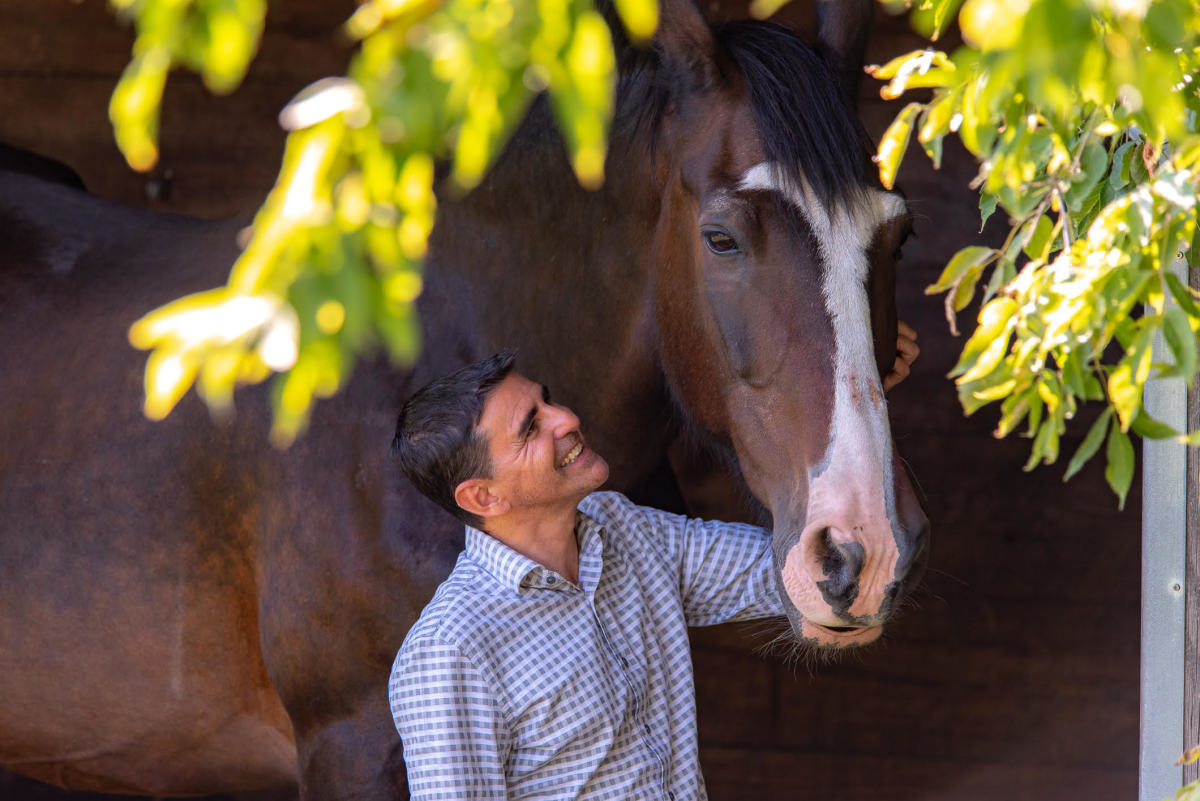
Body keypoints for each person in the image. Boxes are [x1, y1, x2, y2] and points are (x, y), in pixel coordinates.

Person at [389, 331, 919, 799]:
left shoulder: (624, 529)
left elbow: (806, 572)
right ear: (482, 497)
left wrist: (855, 408)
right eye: (531, 427)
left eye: (546, 401)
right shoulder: (448, 651)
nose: (567, 419)